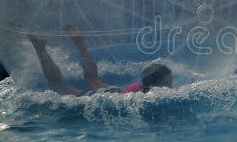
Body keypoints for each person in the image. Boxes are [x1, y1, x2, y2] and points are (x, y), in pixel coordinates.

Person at [29, 23, 172, 95]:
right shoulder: (145, 97)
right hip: (106, 98)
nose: (170, 87)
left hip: (116, 92)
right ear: (153, 86)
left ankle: (79, 43)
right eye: (166, 83)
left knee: (91, 79)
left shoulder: (141, 87)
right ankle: (40, 48)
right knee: (58, 85)